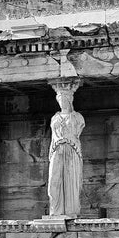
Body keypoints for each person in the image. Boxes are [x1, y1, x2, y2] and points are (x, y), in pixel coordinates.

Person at [48, 81, 85, 217]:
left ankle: (71, 210)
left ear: (70, 100)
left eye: (65, 99)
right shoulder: (54, 118)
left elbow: (78, 131)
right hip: (57, 149)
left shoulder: (77, 117)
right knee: (54, 179)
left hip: (72, 149)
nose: (62, 102)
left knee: (71, 180)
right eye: (60, 99)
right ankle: (56, 210)